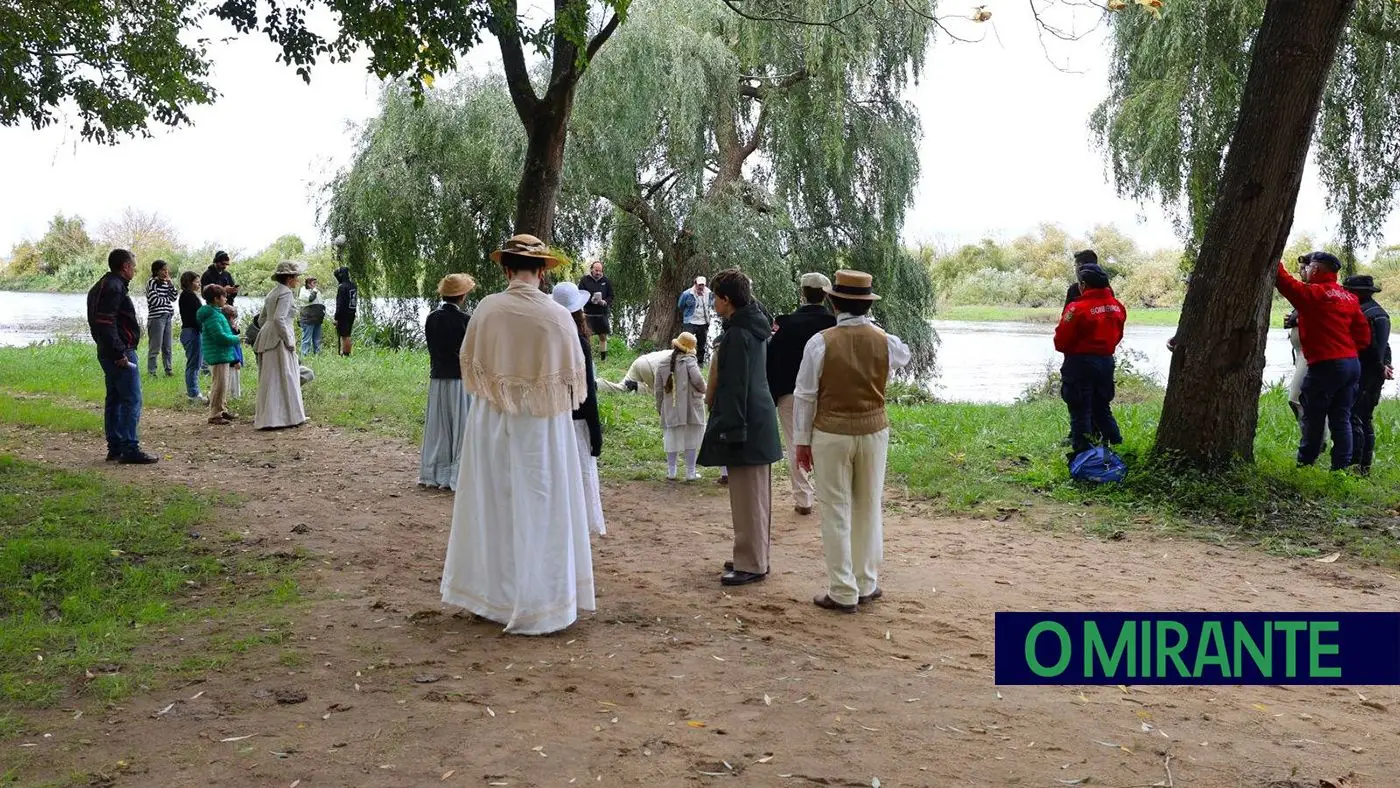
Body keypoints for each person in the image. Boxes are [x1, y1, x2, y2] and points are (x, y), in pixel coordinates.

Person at [440, 234, 595, 635]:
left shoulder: (487, 310)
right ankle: (546, 600)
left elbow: (469, 366)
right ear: (542, 271)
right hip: (543, 425)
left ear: (506, 269)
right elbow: (575, 381)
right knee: (542, 505)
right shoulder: (559, 316)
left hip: (492, 418)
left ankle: (490, 597)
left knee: (490, 503)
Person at [792, 270, 911, 613]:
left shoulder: (820, 342)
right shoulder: (886, 340)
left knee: (835, 509)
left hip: (831, 433)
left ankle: (843, 589)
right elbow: (902, 358)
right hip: (874, 431)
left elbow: (805, 396)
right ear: (867, 304)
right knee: (868, 505)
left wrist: (802, 442)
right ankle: (866, 581)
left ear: (833, 301)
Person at [697, 268, 783, 586]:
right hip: (759, 417)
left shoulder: (736, 335)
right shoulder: (754, 324)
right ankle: (755, 555)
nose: (713, 304)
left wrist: (731, 430)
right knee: (757, 496)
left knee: (747, 497)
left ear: (726, 300)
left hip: (745, 419)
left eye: (716, 298)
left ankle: (751, 563)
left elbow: (734, 387)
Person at [1275, 252, 1371, 470]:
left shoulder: (1314, 294)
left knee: (1313, 415)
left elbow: (1283, 281)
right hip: (1351, 364)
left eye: (1308, 267)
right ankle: (1341, 468)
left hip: (1326, 364)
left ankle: (1305, 463)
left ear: (1316, 270)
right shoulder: (1349, 297)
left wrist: (1274, 256)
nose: (1305, 271)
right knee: (1341, 417)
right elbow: (1363, 335)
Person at [766, 272, 837, 515]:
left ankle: (804, 499)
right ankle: (828, 495)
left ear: (802, 294)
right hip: (826, 394)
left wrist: (774, 394)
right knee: (826, 445)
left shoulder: (785, 325)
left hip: (790, 393)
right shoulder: (834, 326)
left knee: (796, 443)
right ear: (827, 295)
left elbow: (771, 360)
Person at [87, 249, 157, 463]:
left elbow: (98, 322)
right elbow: (105, 322)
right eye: (133, 266)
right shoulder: (115, 287)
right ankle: (129, 448)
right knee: (131, 399)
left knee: (115, 398)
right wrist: (118, 352)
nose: (135, 270)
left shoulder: (100, 285)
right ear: (125, 266)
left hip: (107, 350)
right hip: (119, 352)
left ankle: (115, 446)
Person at [1053, 263, 1126, 462]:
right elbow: (1118, 336)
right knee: (1102, 408)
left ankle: (1083, 459)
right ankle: (1118, 448)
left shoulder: (1077, 308)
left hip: (1080, 365)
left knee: (1080, 411)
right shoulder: (1117, 306)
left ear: (1083, 285)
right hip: (1106, 363)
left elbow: (1060, 342)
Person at [553, 282, 607, 536]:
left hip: (552, 419)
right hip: (576, 421)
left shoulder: (549, 339)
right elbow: (588, 394)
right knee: (579, 475)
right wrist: (596, 431)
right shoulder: (579, 342)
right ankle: (578, 526)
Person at [420, 274, 476, 490]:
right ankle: (456, 472)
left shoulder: (431, 317)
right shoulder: (466, 320)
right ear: (462, 296)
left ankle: (434, 471)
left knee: (439, 425)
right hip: (460, 378)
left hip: (438, 376)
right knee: (461, 425)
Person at [1344, 275, 1391, 474]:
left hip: (1366, 371)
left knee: (1356, 416)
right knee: (1364, 418)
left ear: (1361, 293)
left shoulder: (1369, 314)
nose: (1347, 293)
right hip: (1372, 370)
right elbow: (1385, 346)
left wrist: (1381, 365)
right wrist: (1386, 364)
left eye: (1350, 290)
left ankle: (1357, 466)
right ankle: (1363, 466)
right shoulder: (1377, 312)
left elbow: (1375, 348)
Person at [253, 261, 309, 430]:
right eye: (296, 277)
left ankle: (270, 417)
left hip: (267, 335)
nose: (297, 280)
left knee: (270, 376)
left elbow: (263, 319)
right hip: (279, 338)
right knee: (285, 374)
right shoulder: (286, 293)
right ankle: (285, 417)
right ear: (289, 278)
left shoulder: (272, 293)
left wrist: (268, 331)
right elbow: (279, 318)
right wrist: (288, 339)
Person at [655, 331, 707, 481]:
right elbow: (698, 380)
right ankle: (690, 472)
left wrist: (660, 408)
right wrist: (705, 390)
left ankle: (672, 471)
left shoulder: (663, 363)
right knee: (691, 438)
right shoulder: (690, 360)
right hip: (691, 407)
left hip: (671, 407)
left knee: (672, 438)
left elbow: (658, 389)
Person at [197, 285, 241, 426]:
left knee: (224, 384)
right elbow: (220, 337)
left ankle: (222, 409)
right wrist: (237, 339)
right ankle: (214, 414)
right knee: (219, 385)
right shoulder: (212, 316)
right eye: (223, 296)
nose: (226, 298)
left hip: (222, 354)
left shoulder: (216, 313)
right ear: (216, 299)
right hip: (217, 354)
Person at [177, 271, 206, 403]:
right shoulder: (188, 296)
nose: (199, 283)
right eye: (196, 281)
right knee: (194, 364)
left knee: (195, 363)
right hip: (192, 332)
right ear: (189, 282)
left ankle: (194, 392)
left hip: (190, 331)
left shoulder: (188, 295)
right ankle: (193, 394)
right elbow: (197, 317)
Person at [144, 259, 177, 377]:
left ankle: (168, 370)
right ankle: (152, 372)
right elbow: (154, 300)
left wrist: (171, 283)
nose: (166, 273)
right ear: (156, 271)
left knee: (167, 347)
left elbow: (174, 297)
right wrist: (166, 300)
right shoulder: (151, 282)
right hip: (156, 317)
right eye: (163, 270)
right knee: (155, 347)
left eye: (167, 270)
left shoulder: (166, 283)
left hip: (168, 316)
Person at [578, 261, 614, 361]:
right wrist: (591, 301)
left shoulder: (606, 281)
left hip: (602, 313)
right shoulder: (584, 280)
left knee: (603, 336)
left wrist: (605, 302)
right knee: (587, 337)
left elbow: (611, 296)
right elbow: (580, 295)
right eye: (596, 270)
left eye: (600, 271)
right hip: (588, 313)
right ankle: (587, 358)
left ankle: (603, 358)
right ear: (591, 269)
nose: (598, 273)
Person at [597, 348, 677, 393]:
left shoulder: (671, 351)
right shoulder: (685, 359)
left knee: (622, 388)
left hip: (641, 361)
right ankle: (637, 387)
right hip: (652, 369)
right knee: (661, 393)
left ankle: (597, 384)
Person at [678, 276, 716, 365]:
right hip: (690, 322)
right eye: (699, 285)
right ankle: (684, 361)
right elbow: (681, 305)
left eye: (702, 285)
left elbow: (712, 303)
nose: (700, 287)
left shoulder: (709, 293)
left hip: (703, 322)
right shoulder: (687, 294)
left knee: (701, 344)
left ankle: (699, 363)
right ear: (695, 284)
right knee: (686, 342)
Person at [1284, 309, 1306, 421]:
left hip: (1310, 355)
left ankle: (1317, 437)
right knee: (1300, 400)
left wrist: (1298, 320)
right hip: (1300, 354)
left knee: (1296, 399)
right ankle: (1310, 435)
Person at [220, 304, 244, 399]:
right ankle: (231, 397)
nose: (234, 321)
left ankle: (235, 396)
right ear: (229, 318)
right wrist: (236, 360)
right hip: (232, 359)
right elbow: (230, 345)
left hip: (234, 357)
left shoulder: (229, 327)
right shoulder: (226, 329)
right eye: (233, 319)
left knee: (235, 378)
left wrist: (236, 331)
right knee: (231, 379)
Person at [299, 276, 327, 356]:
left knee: (317, 339)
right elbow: (310, 299)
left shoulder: (316, 291)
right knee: (306, 339)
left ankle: (317, 356)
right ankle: (304, 356)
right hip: (308, 319)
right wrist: (314, 291)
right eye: (314, 283)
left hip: (317, 319)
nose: (316, 284)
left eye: (316, 282)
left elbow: (321, 303)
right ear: (308, 284)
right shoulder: (303, 291)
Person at [334, 265, 358, 357]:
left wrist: (336, 317)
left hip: (343, 314)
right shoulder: (353, 285)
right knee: (347, 334)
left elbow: (339, 304)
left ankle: (346, 354)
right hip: (352, 312)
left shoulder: (342, 287)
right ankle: (345, 352)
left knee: (345, 335)